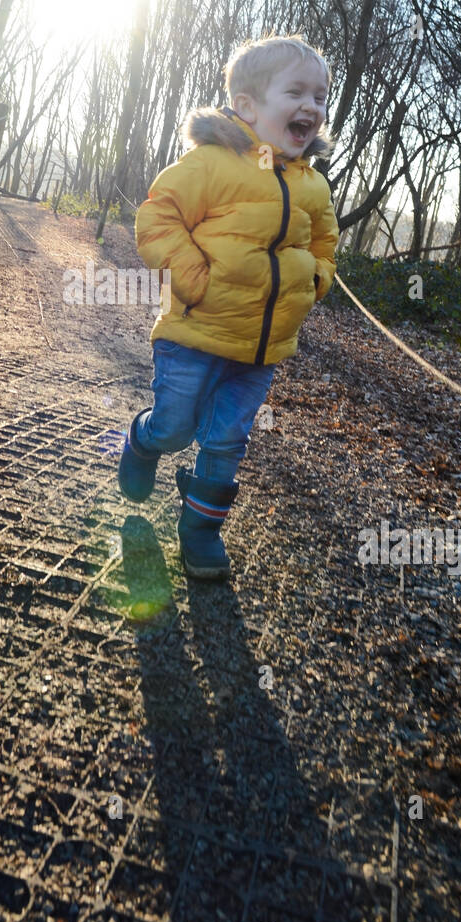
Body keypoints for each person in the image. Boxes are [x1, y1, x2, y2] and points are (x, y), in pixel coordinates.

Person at [119, 35, 339, 581]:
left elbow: (325, 245)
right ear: (247, 106)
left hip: (262, 350)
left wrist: (316, 281)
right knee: (176, 428)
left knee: (225, 439)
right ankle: (143, 441)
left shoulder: (313, 185)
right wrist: (193, 280)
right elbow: (158, 216)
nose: (311, 107)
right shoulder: (212, 164)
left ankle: (200, 534)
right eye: (296, 92)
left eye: (320, 96)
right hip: (194, 334)